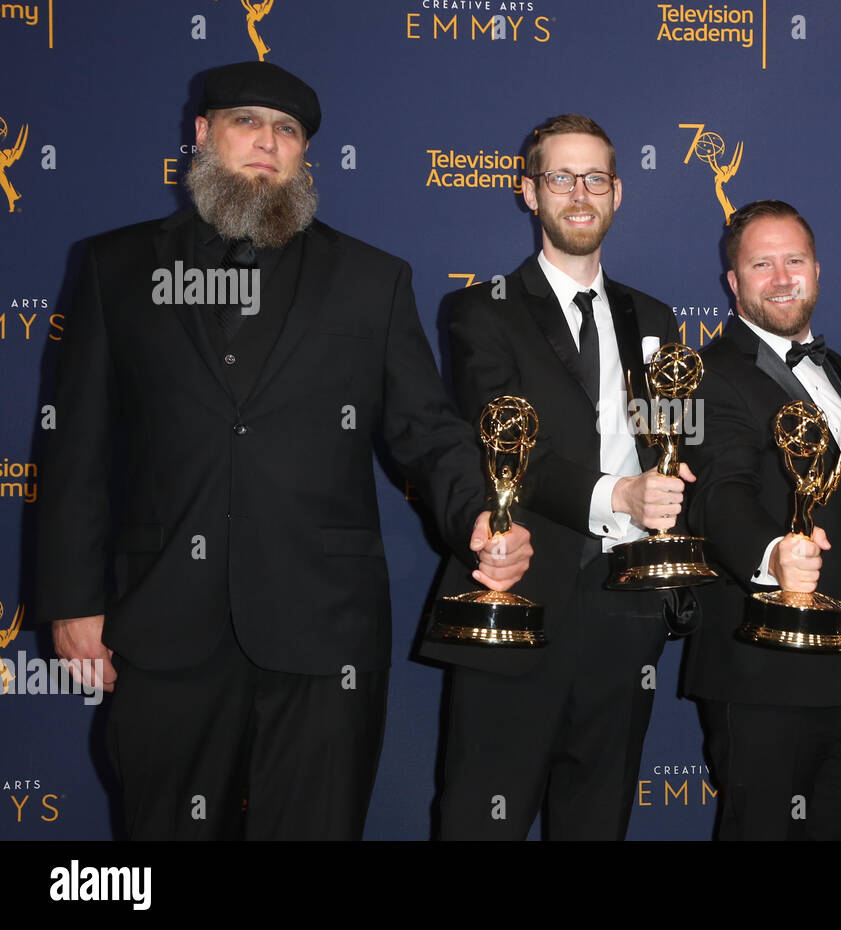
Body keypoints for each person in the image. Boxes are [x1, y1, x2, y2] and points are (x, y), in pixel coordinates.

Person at [34, 61, 531, 840]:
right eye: (247, 122)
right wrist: (71, 598)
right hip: (163, 623)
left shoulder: (371, 279)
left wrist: (480, 514)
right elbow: (76, 449)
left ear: (304, 156)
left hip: (323, 631)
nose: (268, 143)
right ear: (201, 135)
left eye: (289, 131)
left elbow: (426, 430)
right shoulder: (115, 267)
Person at [422, 113, 690, 840]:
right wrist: (619, 494)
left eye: (595, 178)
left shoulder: (657, 318)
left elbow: (673, 441)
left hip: (625, 614)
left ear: (618, 193)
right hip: (516, 599)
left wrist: (675, 486)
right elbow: (500, 447)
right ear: (528, 192)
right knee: (480, 821)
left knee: (597, 824)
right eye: (560, 177)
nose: (580, 193)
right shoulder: (482, 311)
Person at [682, 200, 841, 840]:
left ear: (818, 270)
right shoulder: (707, 377)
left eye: (795, 261)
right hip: (764, 664)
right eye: (762, 264)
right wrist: (772, 554)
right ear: (734, 283)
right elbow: (720, 492)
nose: (782, 278)